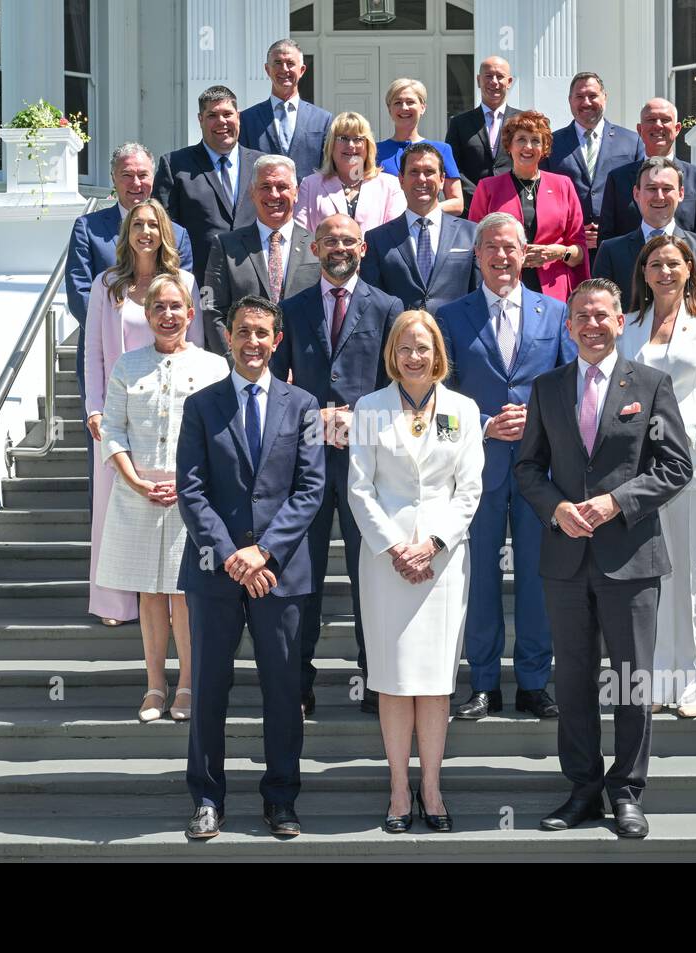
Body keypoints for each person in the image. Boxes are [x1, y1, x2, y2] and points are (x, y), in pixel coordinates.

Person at [515, 278, 691, 839]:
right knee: (572, 682)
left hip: (631, 559)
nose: (592, 325)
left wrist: (617, 501)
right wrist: (557, 507)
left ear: (620, 321)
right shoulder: (546, 388)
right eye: (581, 317)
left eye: (602, 315)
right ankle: (583, 789)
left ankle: (628, 791)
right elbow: (526, 469)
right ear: (569, 327)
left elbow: (675, 466)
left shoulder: (653, 385)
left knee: (633, 679)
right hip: (565, 559)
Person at [177, 295, 325, 840]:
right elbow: (191, 491)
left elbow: (312, 489)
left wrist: (264, 552)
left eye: (263, 333)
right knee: (209, 689)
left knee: (284, 691)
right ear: (229, 337)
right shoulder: (201, 405)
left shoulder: (305, 406)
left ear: (276, 339)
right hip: (215, 571)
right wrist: (234, 556)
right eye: (244, 332)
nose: (253, 342)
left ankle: (281, 801)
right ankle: (207, 799)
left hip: (280, 573)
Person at [348, 310, 484, 833]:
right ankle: (399, 789)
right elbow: (359, 488)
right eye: (404, 347)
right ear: (392, 353)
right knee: (393, 679)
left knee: (433, 681)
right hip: (386, 562)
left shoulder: (464, 410)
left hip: (444, 560)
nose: (413, 356)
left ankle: (431, 784)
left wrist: (432, 543)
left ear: (438, 354)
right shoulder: (369, 407)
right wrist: (395, 547)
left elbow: (469, 489)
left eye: (422, 347)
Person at [437, 212, 575, 721]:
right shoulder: (451, 317)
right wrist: (484, 426)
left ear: (525, 254)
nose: (500, 256)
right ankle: (484, 683)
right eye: (490, 248)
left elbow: (569, 387)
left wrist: (538, 424)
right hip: (477, 468)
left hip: (542, 470)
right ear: (477, 257)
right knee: (480, 580)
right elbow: (438, 402)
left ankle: (536, 683)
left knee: (540, 578)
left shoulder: (556, 313)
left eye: (510, 247)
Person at [272, 214, 404, 715]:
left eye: (347, 240)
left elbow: (400, 383)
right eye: (329, 240)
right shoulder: (292, 308)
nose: (338, 248)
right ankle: (297, 682)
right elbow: (277, 385)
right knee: (300, 576)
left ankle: (376, 678)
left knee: (368, 573)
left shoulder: (389, 308)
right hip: (303, 465)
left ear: (363, 249)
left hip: (367, 464)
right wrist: (312, 417)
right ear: (315, 247)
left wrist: (361, 419)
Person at [619, 235, 696, 719]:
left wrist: (679, 428)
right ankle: (662, 677)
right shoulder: (629, 325)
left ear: (690, 269)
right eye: (656, 264)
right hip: (644, 474)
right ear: (644, 273)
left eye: (674, 263)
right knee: (657, 580)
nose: (665, 271)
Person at [96, 275, 229, 722]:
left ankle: (188, 684)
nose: (168, 315)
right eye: (159, 308)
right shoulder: (126, 366)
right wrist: (134, 481)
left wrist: (189, 483)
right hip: (138, 494)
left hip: (191, 495)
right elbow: (112, 428)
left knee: (185, 594)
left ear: (191, 314)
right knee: (149, 595)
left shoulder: (214, 366)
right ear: (147, 315)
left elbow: (222, 436)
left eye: (177, 307)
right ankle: (155, 686)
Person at [84, 199, 204, 626]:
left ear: (164, 232)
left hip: (171, 412)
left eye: (153, 224)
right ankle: (115, 603)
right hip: (121, 408)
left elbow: (200, 349)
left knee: (174, 512)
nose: (145, 232)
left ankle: (177, 599)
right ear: (127, 233)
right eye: (138, 224)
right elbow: (94, 350)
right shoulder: (108, 284)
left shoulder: (184, 282)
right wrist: (94, 407)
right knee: (114, 506)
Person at [66, 143, 193, 517]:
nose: (136, 183)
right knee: (109, 476)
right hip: (111, 364)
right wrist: (110, 316)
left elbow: (185, 304)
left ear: (153, 179)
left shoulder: (178, 234)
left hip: (166, 373)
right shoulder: (88, 228)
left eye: (142, 175)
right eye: (127, 175)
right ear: (113, 180)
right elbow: (80, 292)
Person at [203, 155, 321, 356]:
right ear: (252, 192)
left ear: (296, 192)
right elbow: (211, 309)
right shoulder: (225, 246)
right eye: (265, 187)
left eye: (282, 187)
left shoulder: (316, 247)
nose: (274, 195)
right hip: (243, 364)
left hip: (303, 371)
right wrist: (235, 361)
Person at [469, 111, 590, 303]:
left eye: (536, 140)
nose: (528, 147)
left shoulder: (563, 185)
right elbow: (473, 245)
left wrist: (557, 252)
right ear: (509, 146)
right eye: (521, 140)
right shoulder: (488, 188)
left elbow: (580, 251)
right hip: (501, 287)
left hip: (553, 290)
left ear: (544, 148)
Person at [154, 86, 266, 286]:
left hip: (256, 281)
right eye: (212, 115)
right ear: (200, 119)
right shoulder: (175, 165)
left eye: (227, 114)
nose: (221, 121)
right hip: (199, 282)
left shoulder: (263, 164)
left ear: (238, 117)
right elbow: (165, 230)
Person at [592, 156, 696, 309]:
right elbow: (601, 312)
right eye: (651, 188)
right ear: (636, 194)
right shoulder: (611, 252)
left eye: (667, 189)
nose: (659, 196)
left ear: (681, 193)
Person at [359, 143, 479, 315]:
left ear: (442, 179)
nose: (422, 179)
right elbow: (372, 303)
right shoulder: (377, 239)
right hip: (400, 337)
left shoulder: (471, 234)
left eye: (429, 172)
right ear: (401, 180)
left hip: (456, 338)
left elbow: (478, 295)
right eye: (413, 172)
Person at [541, 72, 645, 258]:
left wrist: (606, 229)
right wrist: (576, 231)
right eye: (579, 96)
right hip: (568, 250)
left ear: (605, 98)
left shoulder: (631, 141)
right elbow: (545, 197)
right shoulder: (551, 143)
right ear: (570, 100)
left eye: (592, 96)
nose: (586, 102)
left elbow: (639, 196)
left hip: (618, 247)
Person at [599, 98, 696, 242]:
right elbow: (606, 239)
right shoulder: (617, 179)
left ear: (677, 128)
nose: (658, 126)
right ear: (639, 129)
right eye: (651, 119)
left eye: (665, 120)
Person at [294, 112, 406, 235]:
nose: (351, 145)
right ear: (331, 145)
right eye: (343, 138)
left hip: (376, 254)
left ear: (368, 145)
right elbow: (301, 237)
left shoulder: (390, 185)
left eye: (358, 139)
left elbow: (395, 235)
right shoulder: (310, 185)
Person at [239, 38, 333, 176]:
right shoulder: (247, 119)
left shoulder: (323, 119)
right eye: (277, 63)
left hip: (309, 197)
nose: (284, 69)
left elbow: (328, 167)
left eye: (290, 63)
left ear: (302, 70)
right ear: (267, 69)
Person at [375, 78, 464, 216]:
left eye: (410, 102)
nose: (404, 107)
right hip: (387, 230)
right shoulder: (374, 151)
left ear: (422, 107)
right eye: (398, 102)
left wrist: (422, 211)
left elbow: (457, 203)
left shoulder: (442, 149)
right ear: (389, 109)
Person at [445, 56, 520, 217]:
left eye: (500, 76)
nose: (494, 82)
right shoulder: (459, 123)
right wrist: (481, 197)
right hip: (472, 211)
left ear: (509, 81)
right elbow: (453, 168)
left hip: (514, 206)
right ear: (479, 80)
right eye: (488, 76)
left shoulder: (522, 122)